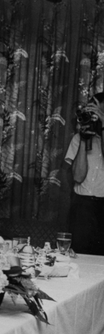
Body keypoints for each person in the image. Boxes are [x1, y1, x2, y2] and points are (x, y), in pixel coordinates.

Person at [64, 92, 104, 255]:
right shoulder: (77, 139)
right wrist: (82, 138)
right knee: (80, 256)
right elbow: (78, 177)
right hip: (82, 207)